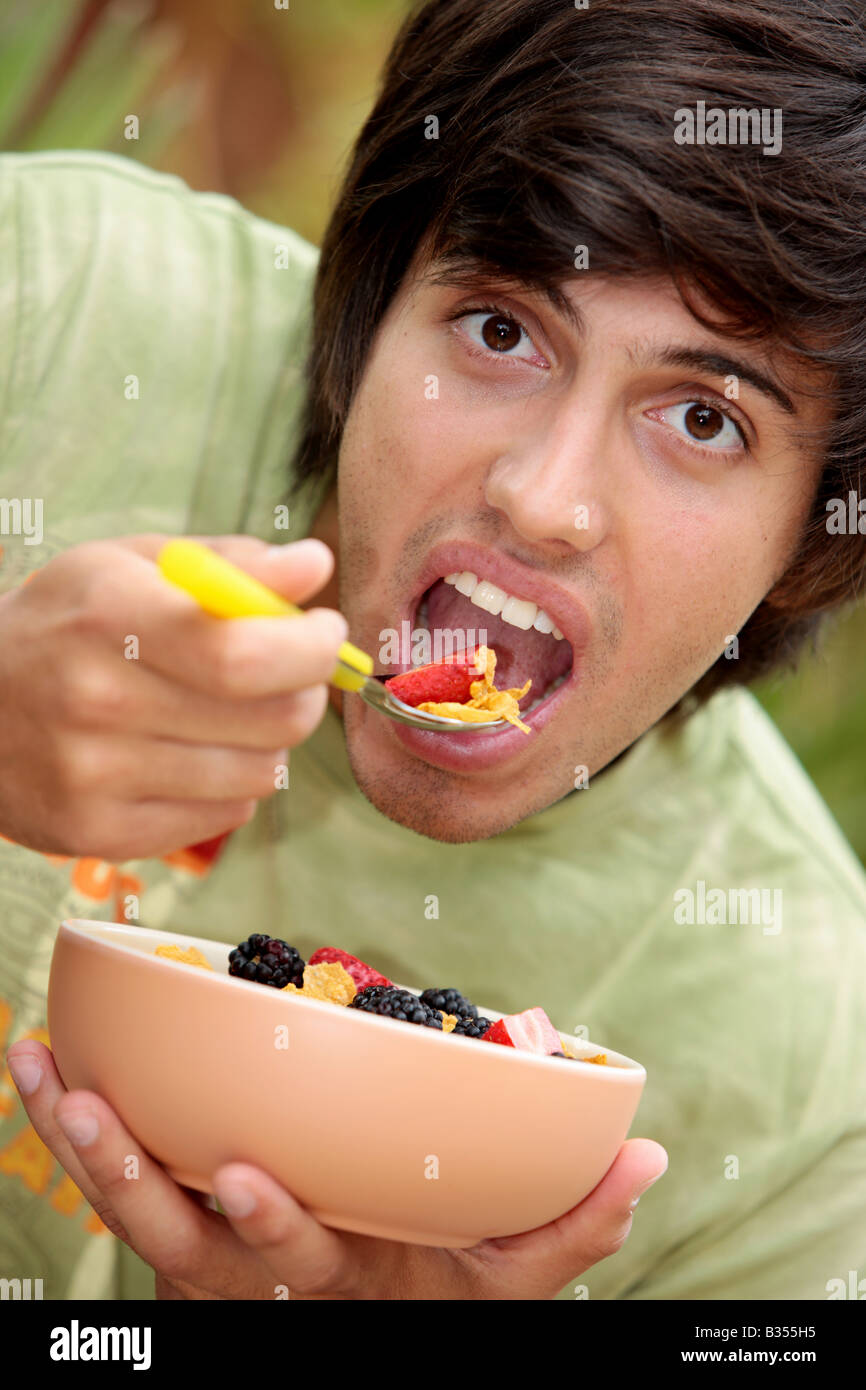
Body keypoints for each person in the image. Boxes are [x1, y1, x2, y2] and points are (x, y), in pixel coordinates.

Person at [2, 0, 865, 1300]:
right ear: (369, 300)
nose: (543, 497)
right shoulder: (58, 304)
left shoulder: (807, 1100)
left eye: (700, 416)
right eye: (502, 331)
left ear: (810, 538)